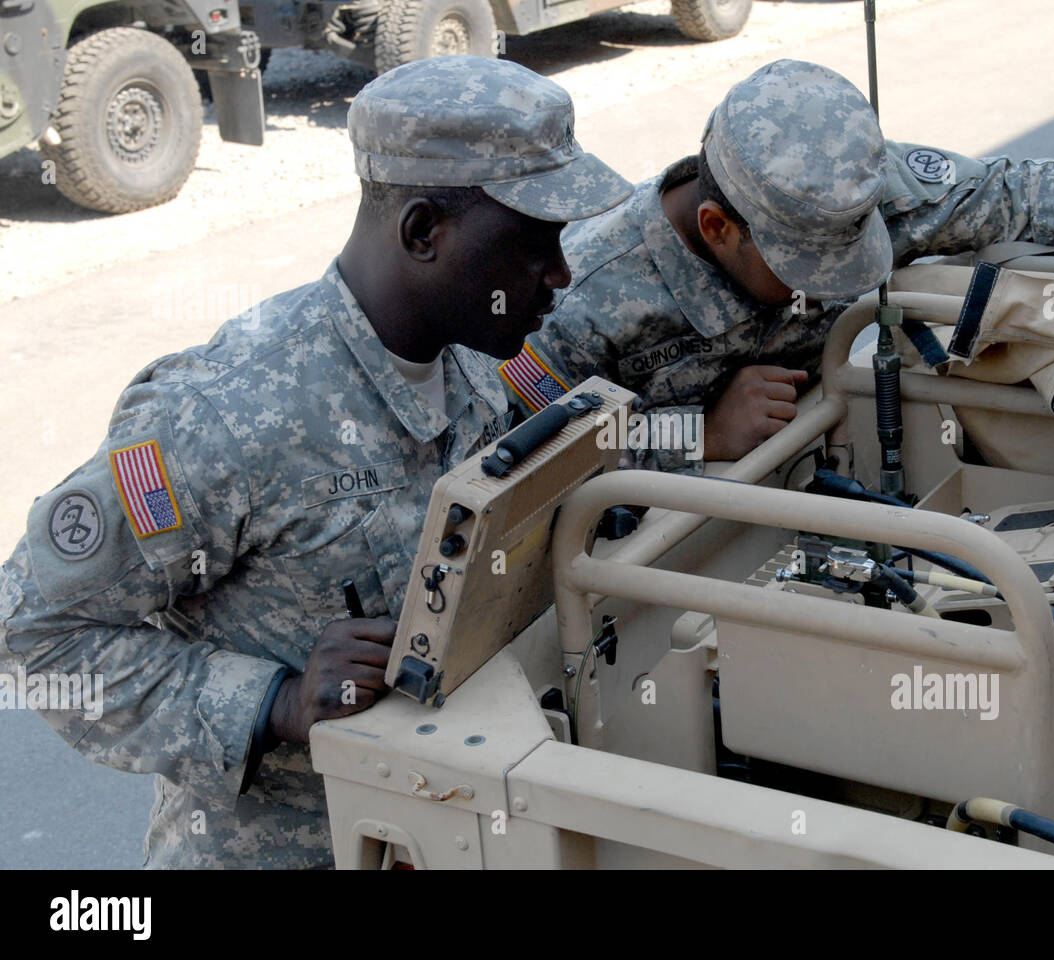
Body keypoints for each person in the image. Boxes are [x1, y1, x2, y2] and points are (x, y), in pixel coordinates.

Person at [0, 55, 629, 868]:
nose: (561, 274)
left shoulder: (475, 351)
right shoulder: (226, 416)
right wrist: (273, 703)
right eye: (533, 243)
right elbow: (34, 635)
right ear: (423, 232)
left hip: (438, 828)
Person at [498, 59, 1054, 471]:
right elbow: (508, 455)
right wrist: (699, 433)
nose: (835, 280)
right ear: (718, 227)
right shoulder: (582, 293)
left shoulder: (854, 193)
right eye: (805, 266)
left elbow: (1022, 193)